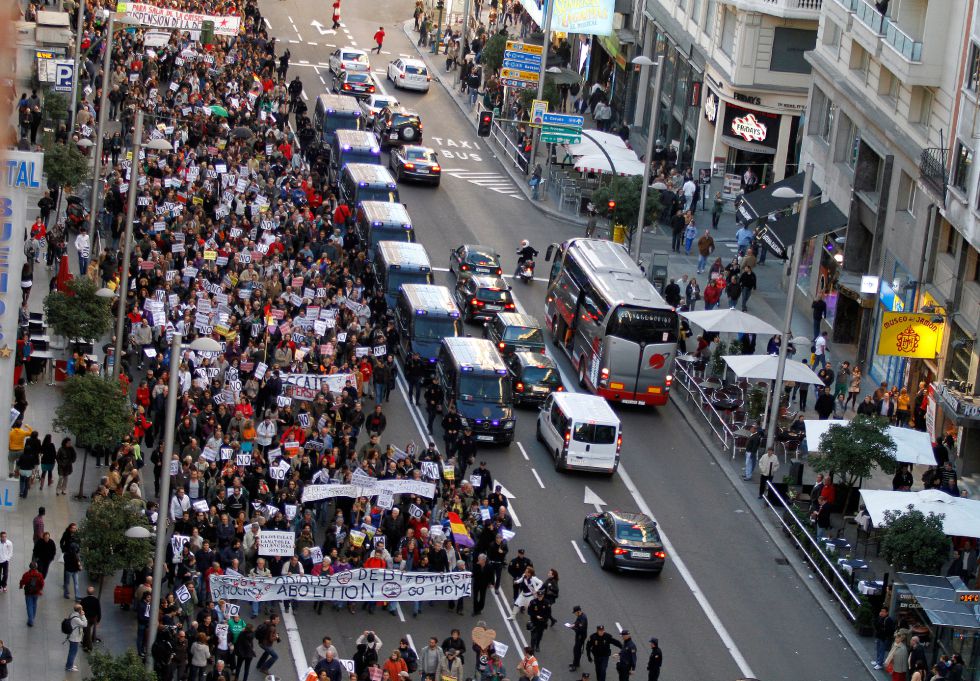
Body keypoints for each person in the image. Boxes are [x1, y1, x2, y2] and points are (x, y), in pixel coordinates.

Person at [18, 561, 44, 626]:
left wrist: (21, 586)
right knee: (34, 604)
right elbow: (42, 584)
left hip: (28, 592)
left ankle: (30, 621)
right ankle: (32, 617)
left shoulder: (26, 574)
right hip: (36, 593)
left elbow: (22, 581)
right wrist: (40, 589)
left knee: (29, 606)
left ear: (30, 567)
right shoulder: (39, 575)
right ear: (36, 567)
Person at [65, 602, 87, 672]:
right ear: (80, 610)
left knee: (72, 652)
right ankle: (69, 667)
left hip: (72, 637)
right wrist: (83, 615)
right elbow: (85, 624)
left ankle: (70, 665)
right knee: (73, 653)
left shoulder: (72, 614)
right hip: (74, 638)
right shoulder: (76, 619)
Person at [80, 585, 101, 652]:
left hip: (86, 618)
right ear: (93, 592)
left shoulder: (83, 600)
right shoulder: (96, 600)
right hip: (94, 618)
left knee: (87, 632)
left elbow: (81, 609)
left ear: (87, 592)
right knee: (87, 631)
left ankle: (89, 647)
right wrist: (98, 619)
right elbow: (98, 610)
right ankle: (84, 643)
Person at [569, 605, 588, 671]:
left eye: (575, 612)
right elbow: (577, 622)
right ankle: (576, 663)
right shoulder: (580, 616)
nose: (574, 613)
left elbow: (580, 629)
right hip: (579, 635)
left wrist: (573, 628)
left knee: (576, 650)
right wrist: (573, 624)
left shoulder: (583, 619)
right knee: (577, 650)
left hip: (581, 636)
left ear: (578, 611)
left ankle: (575, 665)